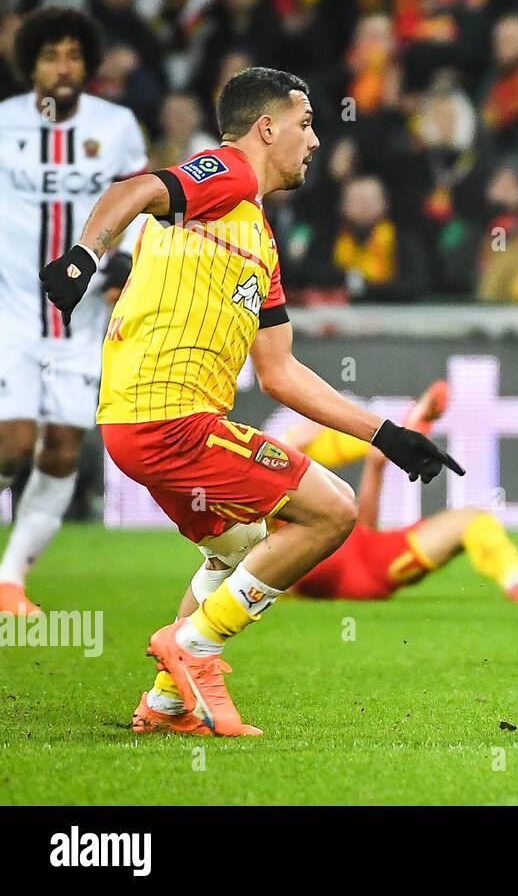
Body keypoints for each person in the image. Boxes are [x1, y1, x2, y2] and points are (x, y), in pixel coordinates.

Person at [40, 67, 464, 737]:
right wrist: (84, 257)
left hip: (148, 422)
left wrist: (385, 434)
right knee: (332, 510)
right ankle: (196, 647)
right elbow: (138, 187)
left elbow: (281, 373)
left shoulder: (257, 237)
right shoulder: (229, 173)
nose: (316, 141)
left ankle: (166, 702)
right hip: (168, 416)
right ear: (268, 127)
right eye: (306, 123)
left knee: (241, 549)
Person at [0, 8, 148, 617]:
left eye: (73, 56)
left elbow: (138, 200)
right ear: (30, 66)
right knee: (12, 446)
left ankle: (10, 582)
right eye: (50, 56)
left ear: (87, 65)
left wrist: (125, 262)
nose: (63, 67)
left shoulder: (116, 127)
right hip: (10, 315)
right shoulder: (3, 124)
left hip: (82, 322)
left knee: (62, 448)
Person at [285, 378, 518, 603]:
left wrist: (375, 468)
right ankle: (403, 431)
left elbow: (361, 529)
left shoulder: (285, 498)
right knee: (291, 456)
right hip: (338, 568)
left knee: (471, 520)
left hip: (362, 557)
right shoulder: (265, 501)